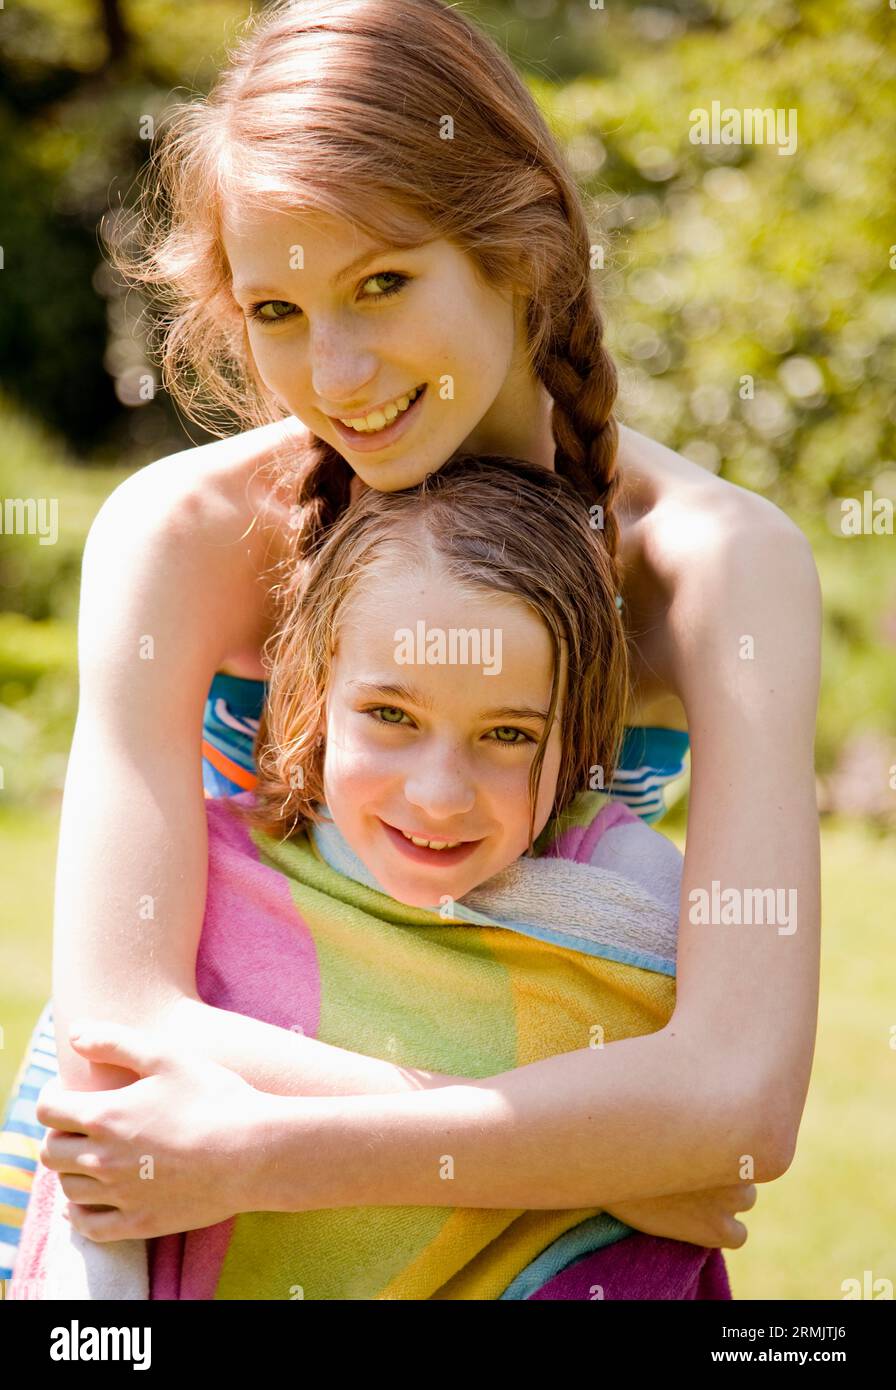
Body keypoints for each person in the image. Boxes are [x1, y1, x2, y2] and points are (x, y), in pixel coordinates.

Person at [0, 0, 820, 1283]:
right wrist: (605, 1157)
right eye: (275, 310)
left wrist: (265, 1146)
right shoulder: (181, 535)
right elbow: (120, 1018)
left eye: (381, 283)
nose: (334, 370)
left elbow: (739, 1099)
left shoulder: (718, 565)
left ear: (519, 249)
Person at [19, 455, 742, 1299]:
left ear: (575, 743)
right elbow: (116, 1102)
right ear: (311, 698)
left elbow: (723, 1138)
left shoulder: (626, 923)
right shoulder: (201, 894)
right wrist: (611, 1160)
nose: (439, 796)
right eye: (391, 715)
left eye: (508, 734)